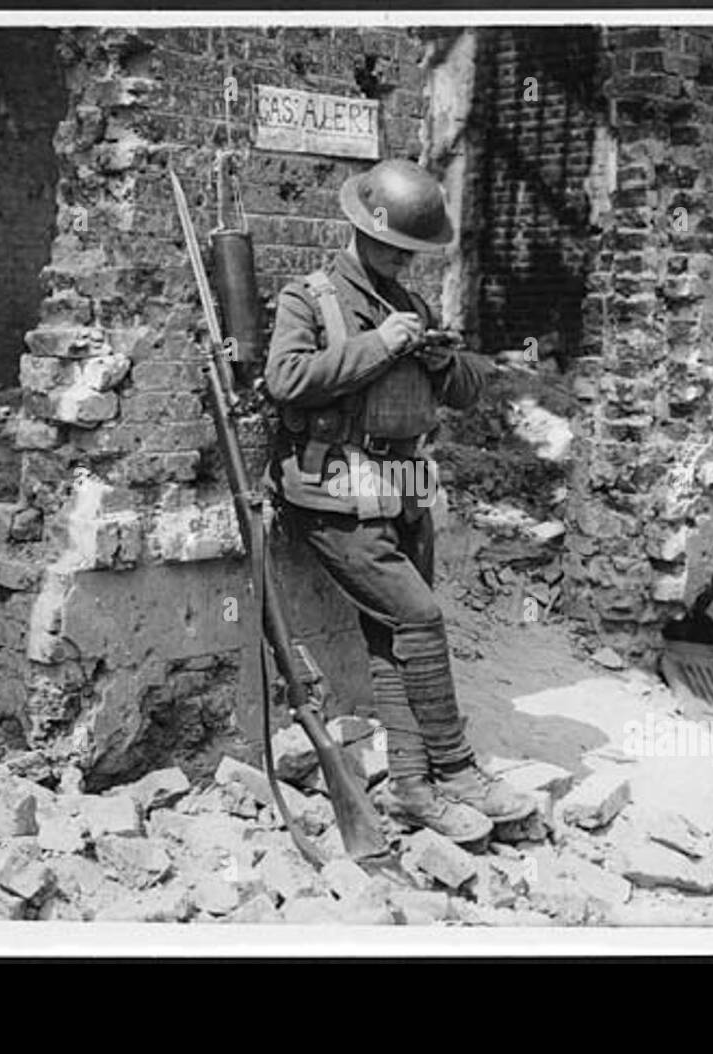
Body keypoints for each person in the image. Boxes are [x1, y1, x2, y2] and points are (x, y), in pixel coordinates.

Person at [263, 158, 536, 844]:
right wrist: (378, 346)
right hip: (334, 492)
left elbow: (472, 387)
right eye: (391, 247)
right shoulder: (312, 297)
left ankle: (413, 790)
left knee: (395, 638)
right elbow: (286, 380)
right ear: (361, 228)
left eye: (412, 253)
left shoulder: (412, 304)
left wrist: (445, 360)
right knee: (421, 615)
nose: (400, 261)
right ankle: (458, 768)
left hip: (405, 491)